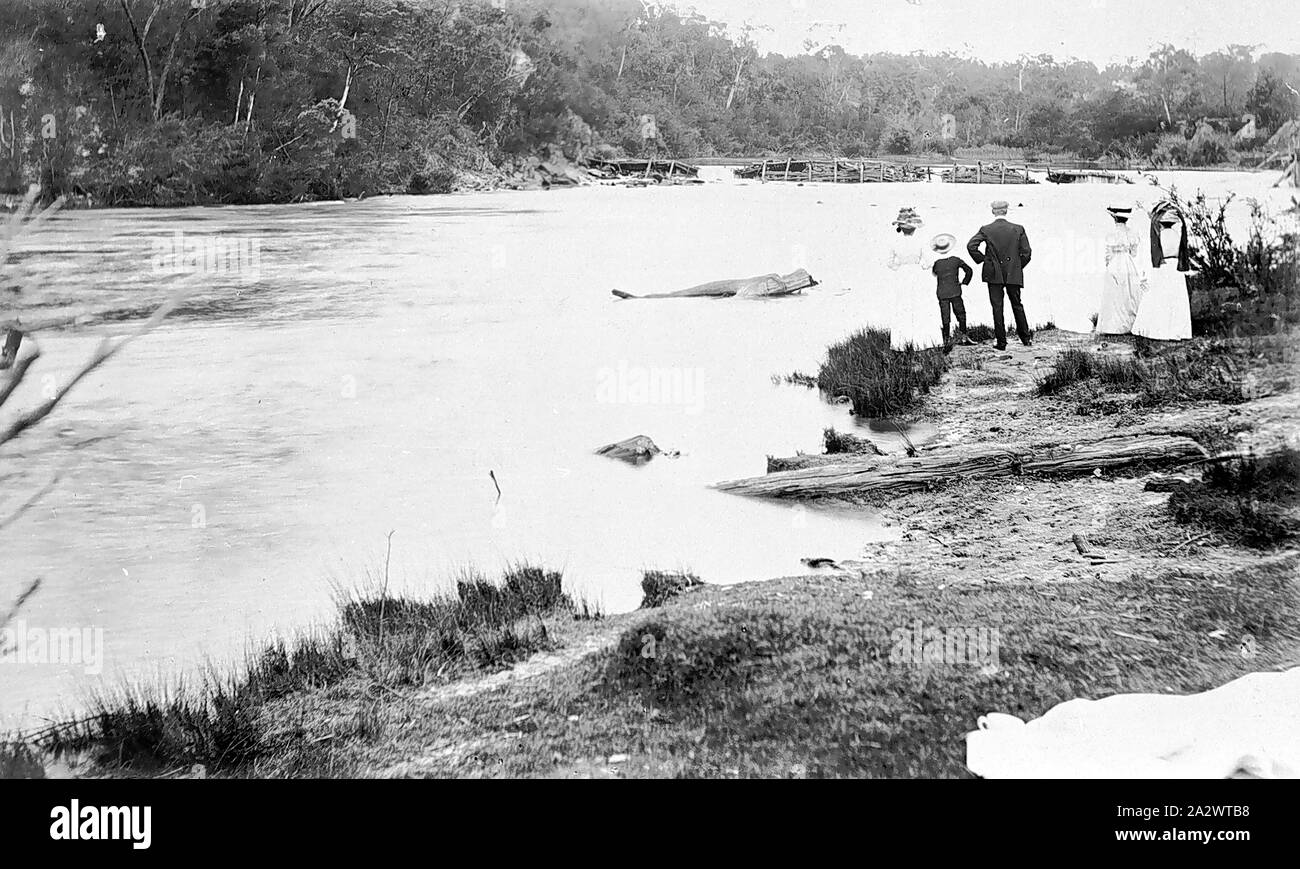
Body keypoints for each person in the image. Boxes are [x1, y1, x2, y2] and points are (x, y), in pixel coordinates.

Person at [967, 199, 1033, 350]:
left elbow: (971, 246)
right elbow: (1027, 253)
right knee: (1017, 305)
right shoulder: (1018, 228)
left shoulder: (986, 229)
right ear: (1006, 211)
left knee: (997, 307)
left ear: (993, 212)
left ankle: (1001, 343)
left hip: (993, 274)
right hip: (1013, 274)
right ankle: (1026, 339)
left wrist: (984, 261)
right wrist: (1016, 267)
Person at [1132, 200, 1193, 340]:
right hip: (1175, 270)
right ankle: (1176, 330)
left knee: (1160, 298)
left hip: (1163, 269)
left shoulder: (1160, 237)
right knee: (1176, 300)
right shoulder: (1177, 236)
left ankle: (1160, 329)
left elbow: (1155, 256)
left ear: (1160, 223)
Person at [885, 207, 942, 351]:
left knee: (902, 305)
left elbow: (889, 263)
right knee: (920, 304)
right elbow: (928, 263)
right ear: (915, 228)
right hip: (917, 274)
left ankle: (901, 343)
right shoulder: (921, 242)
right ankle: (923, 341)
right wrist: (919, 265)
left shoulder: (894, 242)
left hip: (902, 275)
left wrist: (901, 264)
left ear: (900, 227)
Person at [1096, 203, 1146, 335]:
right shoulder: (1132, 233)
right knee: (1129, 293)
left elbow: (1108, 253)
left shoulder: (1111, 233)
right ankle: (1128, 325)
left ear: (1115, 218)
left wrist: (1109, 264)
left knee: (1113, 294)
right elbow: (1134, 253)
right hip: (1127, 262)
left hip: (1115, 262)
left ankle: (1112, 327)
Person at [929, 233, 975, 351]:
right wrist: (964, 282)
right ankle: (964, 337)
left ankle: (946, 340)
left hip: (942, 292)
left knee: (945, 316)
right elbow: (969, 270)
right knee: (961, 314)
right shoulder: (956, 260)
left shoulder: (937, 263)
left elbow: (934, 274)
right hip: (955, 291)